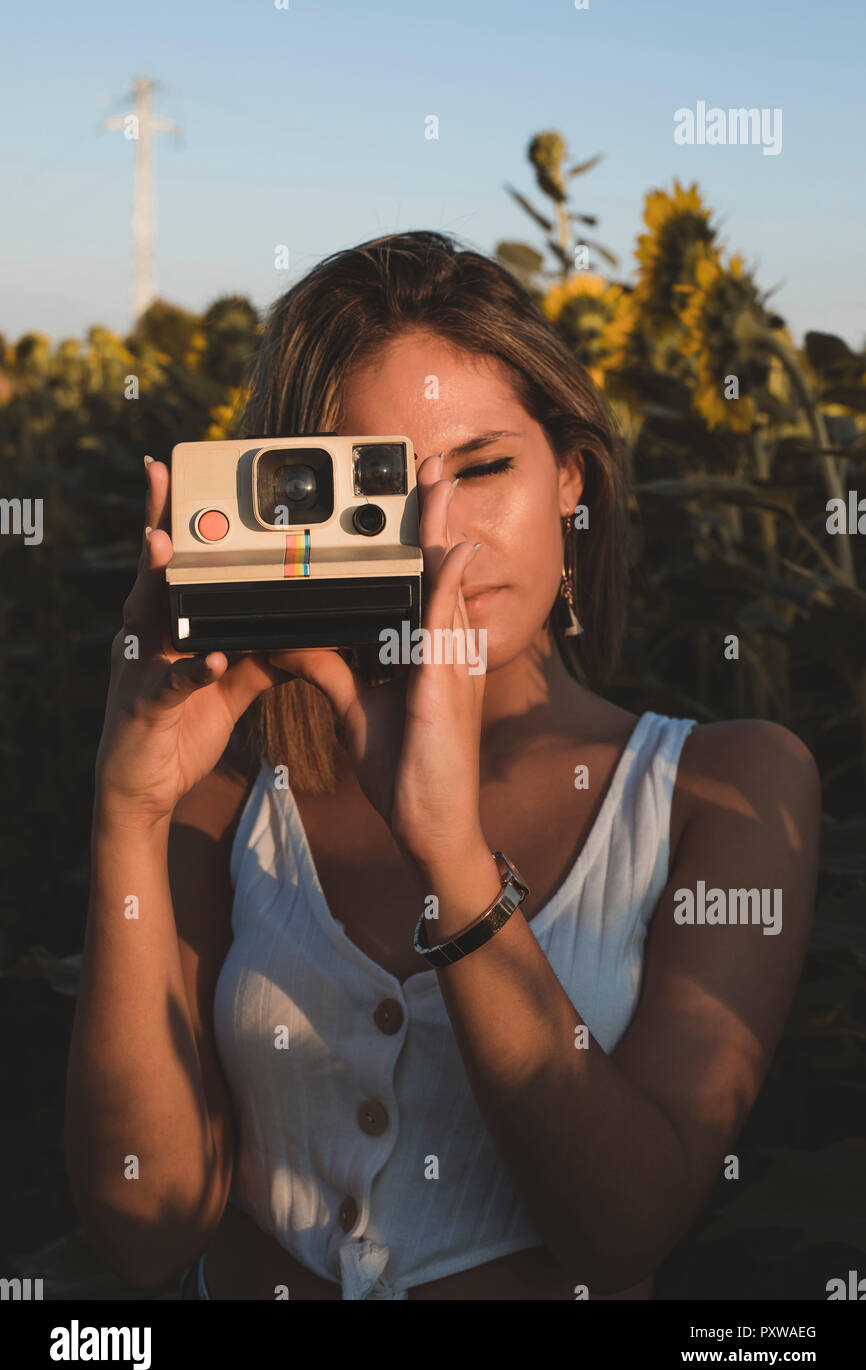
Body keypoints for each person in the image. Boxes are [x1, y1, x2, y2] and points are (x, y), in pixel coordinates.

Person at [65, 230, 821, 1301]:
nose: (442, 536)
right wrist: (127, 813)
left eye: (482, 466)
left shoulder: (722, 788)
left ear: (571, 473)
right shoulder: (233, 785)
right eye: (378, 487)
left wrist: (449, 853)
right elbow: (145, 1224)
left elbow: (622, 1230)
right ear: (298, 504)